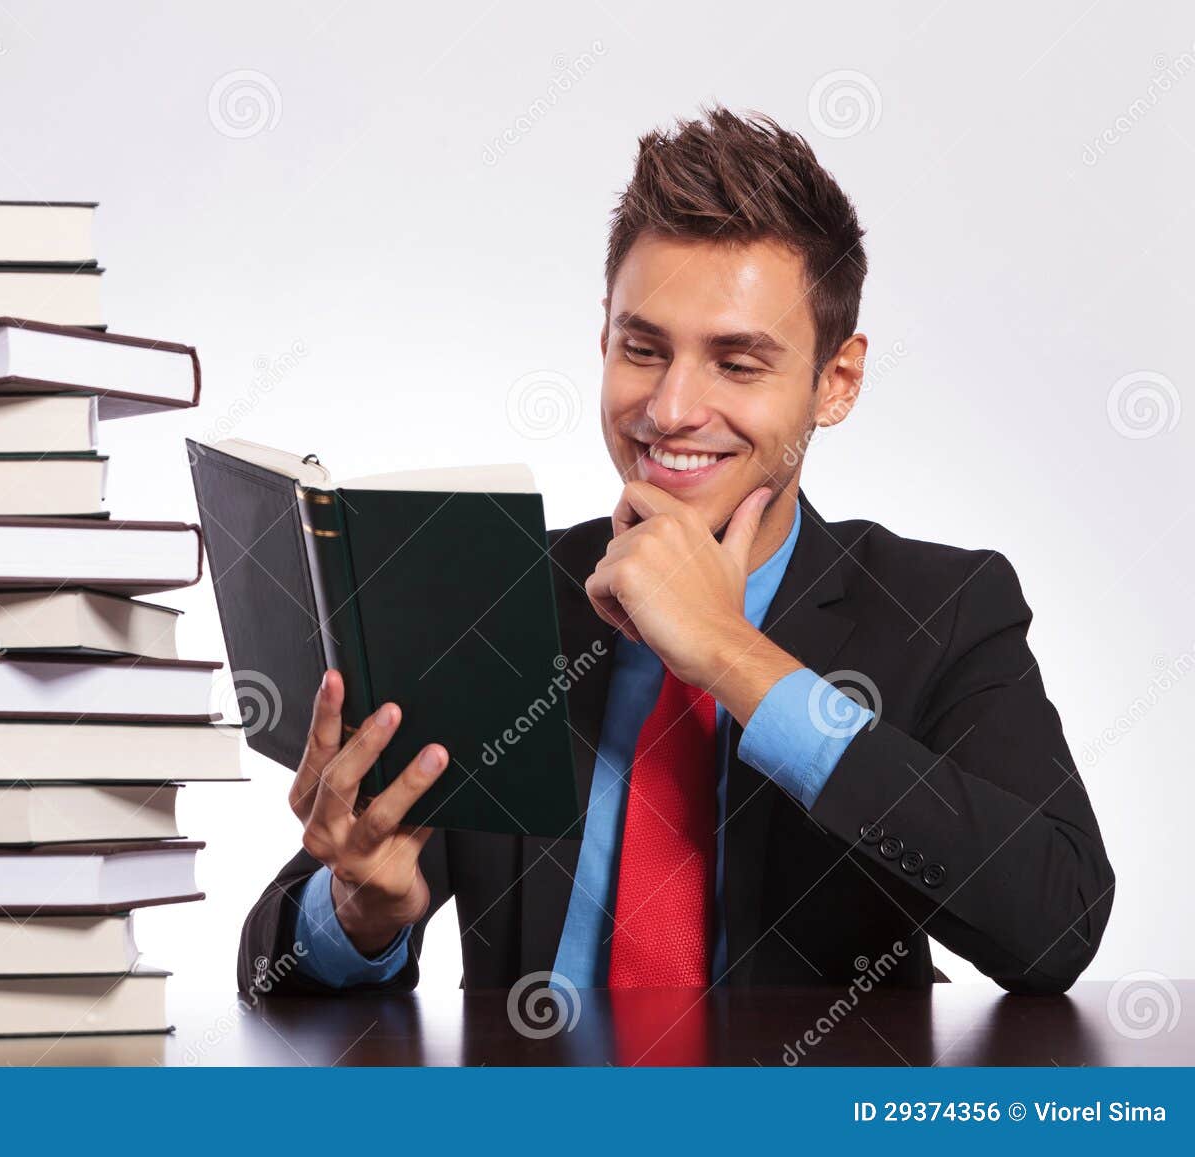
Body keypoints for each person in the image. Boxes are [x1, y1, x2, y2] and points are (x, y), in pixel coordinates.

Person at [237, 107, 1114, 997]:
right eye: (643, 349)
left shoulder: (944, 606)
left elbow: (1056, 922)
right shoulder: (497, 593)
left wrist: (732, 654)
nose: (671, 408)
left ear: (835, 381)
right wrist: (361, 908)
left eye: (738, 363)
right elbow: (266, 967)